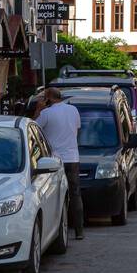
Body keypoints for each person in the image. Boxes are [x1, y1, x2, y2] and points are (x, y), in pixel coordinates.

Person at [35, 86, 84, 240]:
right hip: (73, 158)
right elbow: (77, 129)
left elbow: (33, 127)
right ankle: (79, 231)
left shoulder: (46, 114)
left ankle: (57, 231)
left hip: (54, 161)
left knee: (56, 196)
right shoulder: (73, 110)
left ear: (48, 98)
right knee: (75, 194)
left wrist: (38, 108)